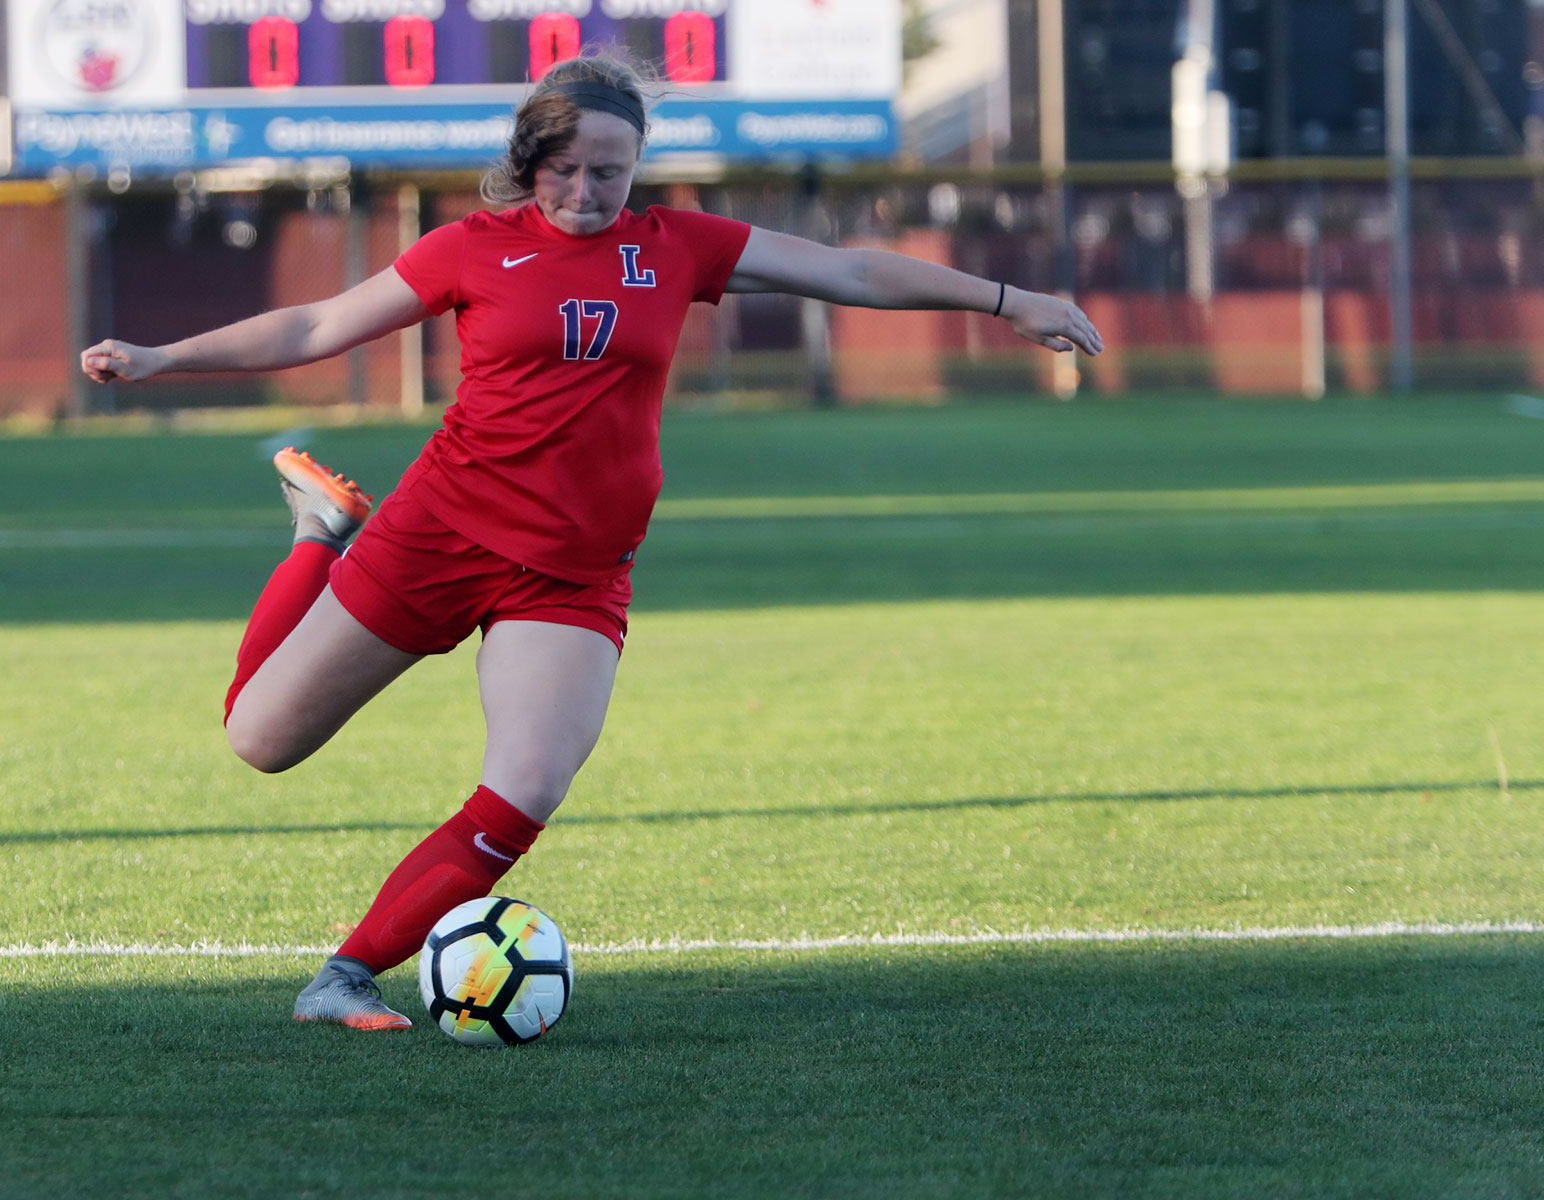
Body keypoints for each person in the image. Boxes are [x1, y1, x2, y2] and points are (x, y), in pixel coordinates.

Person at [80, 51, 1103, 1031]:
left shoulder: (678, 246)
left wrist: (1012, 302)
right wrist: (164, 356)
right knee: (258, 741)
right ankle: (321, 534)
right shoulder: (470, 248)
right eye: (564, 170)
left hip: (572, 573)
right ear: (530, 165)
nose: (584, 190)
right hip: (437, 533)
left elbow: (847, 271)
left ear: (636, 166)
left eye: (608, 171)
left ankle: (345, 975)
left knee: (528, 785)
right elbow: (313, 328)